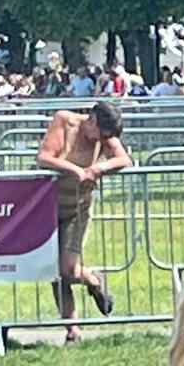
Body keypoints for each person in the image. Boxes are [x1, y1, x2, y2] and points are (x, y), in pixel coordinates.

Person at [35, 101, 133, 344]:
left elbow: (124, 159)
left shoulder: (105, 135)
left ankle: (93, 281)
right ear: (92, 121)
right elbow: (44, 157)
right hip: (46, 207)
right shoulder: (65, 121)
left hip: (77, 208)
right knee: (54, 272)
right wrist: (75, 170)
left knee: (67, 269)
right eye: (101, 133)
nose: (102, 139)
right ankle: (72, 329)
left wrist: (99, 168)